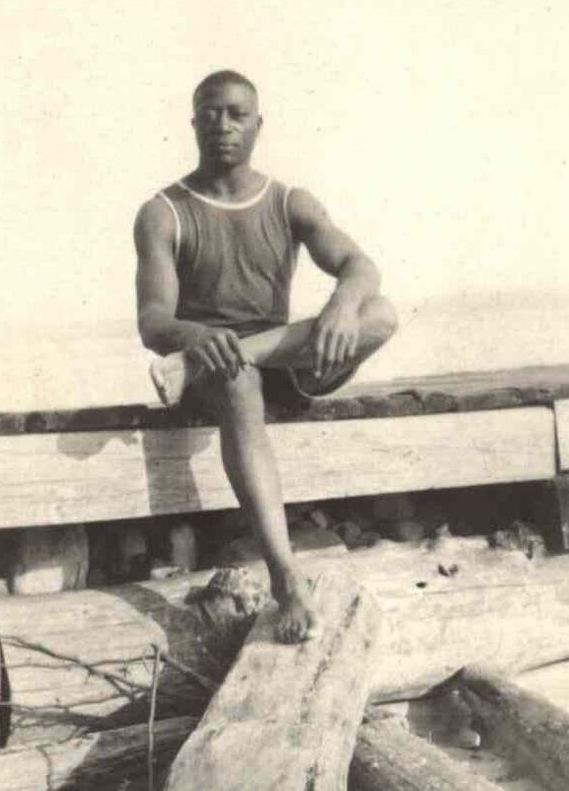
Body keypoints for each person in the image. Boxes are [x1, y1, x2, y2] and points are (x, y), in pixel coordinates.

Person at [134, 70, 398, 643]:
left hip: (285, 357)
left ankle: (233, 359)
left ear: (258, 123)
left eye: (235, 113)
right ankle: (287, 583)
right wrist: (193, 339)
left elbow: (362, 267)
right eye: (208, 113)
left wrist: (339, 306)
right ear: (192, 122)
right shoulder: (165, 213)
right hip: (217, 371)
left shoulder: (288, 202)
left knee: (380, 313)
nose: (221, 125)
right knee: (239, 379)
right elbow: (153, 320)